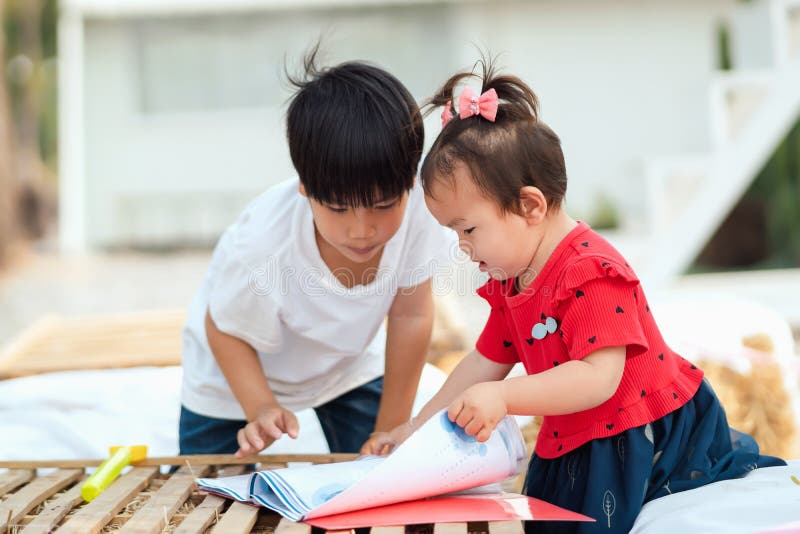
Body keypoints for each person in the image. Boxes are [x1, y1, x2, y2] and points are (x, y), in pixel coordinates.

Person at [366, 57, 785, 533]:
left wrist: (504, 398)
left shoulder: (590, 272)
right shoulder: (513, 278)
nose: (461, 247)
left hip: (640, 435)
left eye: (468, 229)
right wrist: (414, 428)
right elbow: (482, 363)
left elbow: (596, 379)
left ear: (529, 205)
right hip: (580, 434)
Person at [179, 47, 454, 458]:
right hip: (234, 375)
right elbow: (223, 327)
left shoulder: (422, 210)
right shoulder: (262, 246)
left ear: (408, 184)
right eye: (339, 209)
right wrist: (260, 406)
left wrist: (391, 430)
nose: (362, 230)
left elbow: (411, 314)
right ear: (305, 188)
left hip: (345, 366)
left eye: (382, 206)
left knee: (380, 466)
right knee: (208, 484)